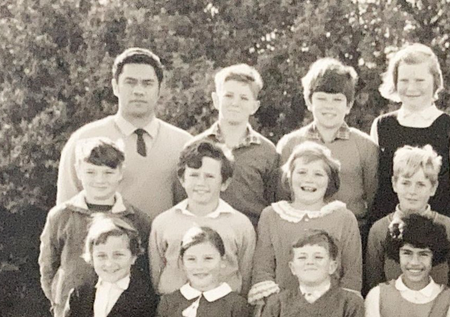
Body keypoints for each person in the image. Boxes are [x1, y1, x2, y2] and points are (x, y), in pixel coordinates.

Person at [56, 48, 192, 219]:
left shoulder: (184, 144)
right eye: (130, 82)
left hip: (164, 243)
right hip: (104, 244)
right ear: (115, 86)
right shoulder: (83, 141)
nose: (138, 91)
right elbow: (65, 216)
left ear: (160, 89)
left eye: (147, 83)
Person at [41, 137, 152, 317]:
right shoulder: (61, 216)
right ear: (78, 171)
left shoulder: (136, 219)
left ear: (120, 173)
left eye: (108, 172)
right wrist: (60, 302)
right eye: (91, 172)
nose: (99, 180)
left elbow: (144, 270)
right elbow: (48, 267)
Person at [370, 44, 450, 227]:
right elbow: (376, 187)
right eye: (404, 80)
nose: (411, 88)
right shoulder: (381, 126)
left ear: (435, 82)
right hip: (387, 231)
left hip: (436, 234)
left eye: (419, 80)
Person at [249, 142, 362, 303]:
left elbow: (352, 275)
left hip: (330, 311)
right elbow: (263, 270)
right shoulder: (271, 216)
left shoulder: (344, 218)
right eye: (302, 172)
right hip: (281, 309)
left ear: (329, 180)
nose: (309, 180)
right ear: (289, 177)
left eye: (318, 174)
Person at [277, 58, 380, 231]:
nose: (329, 106)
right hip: (301, 232)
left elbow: (373, 201)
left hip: (351, 232)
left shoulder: (366, 147)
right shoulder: (290, 144)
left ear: (349, 105)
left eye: (337, 100)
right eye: (322, 98)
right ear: (309, 102)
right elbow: (281, 196)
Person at [148, 140, 256, 295]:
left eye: (209, 176)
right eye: (194, 175)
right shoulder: (163, 223)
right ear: (182, 179)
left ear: (224, 183)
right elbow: (156, 274)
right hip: (173, 309)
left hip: (225, 310)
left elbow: (245, 276)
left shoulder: (240, 225)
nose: (201, 182)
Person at [187, 63, 280, 226]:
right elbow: (182, 197)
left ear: (254, 106)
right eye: (228, 96)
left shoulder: (268, 152)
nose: (235, 103)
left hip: (251, 237)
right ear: (216, 100)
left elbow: (274, 204)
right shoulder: (194, 148)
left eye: (244, 98)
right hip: (202, 237)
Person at [365, 145, 450, 293]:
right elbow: (373, 284)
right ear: (394, 184)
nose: (412, 192)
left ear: (433, 188)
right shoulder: (380, 230)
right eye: (406, 183)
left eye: (420, 184)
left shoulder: (447, 227)